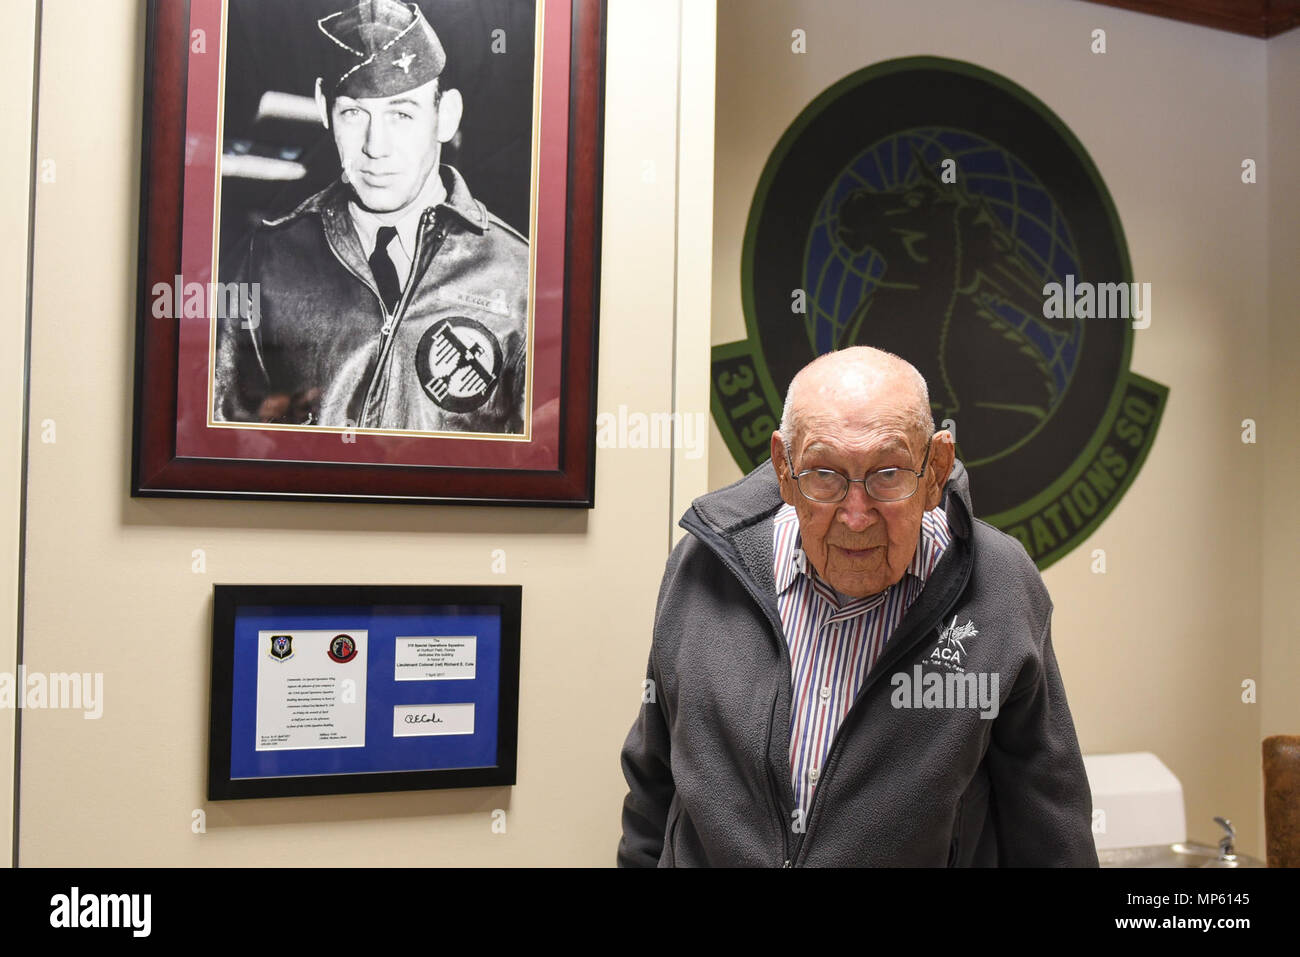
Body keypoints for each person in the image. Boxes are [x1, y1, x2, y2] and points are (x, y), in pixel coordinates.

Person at [617, 346, 1098, 866]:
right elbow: (653, 786)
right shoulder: (706, 563)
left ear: (934, 469)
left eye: (887, 473)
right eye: (824, 474)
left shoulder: (998, 583)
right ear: (784, 467)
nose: (856, 516)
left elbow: (1048, 822)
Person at [214, 0, 529, 433]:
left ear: (446, 116)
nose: (375, 146)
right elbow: (225, 439)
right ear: (325, 110)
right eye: (354, 113)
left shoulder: (517, 276)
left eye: (401, 114)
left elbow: (534, 467)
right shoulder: (267, 259)